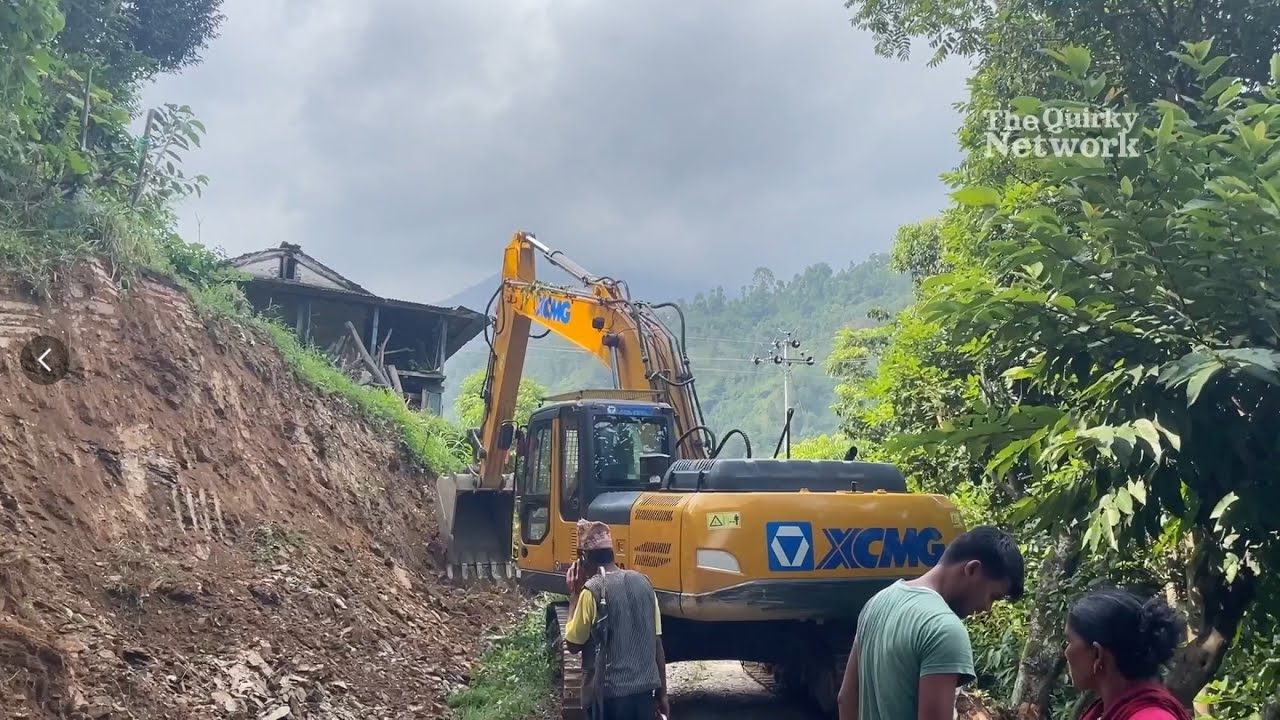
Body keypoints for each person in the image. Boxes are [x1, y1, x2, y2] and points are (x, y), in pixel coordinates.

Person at [837, 525, 1026, 720]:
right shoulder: (944, 628)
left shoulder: (876, 603)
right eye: (993, 596)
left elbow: (846, 699)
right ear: (972, 569)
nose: (987, 608)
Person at [564, 519, 669, 720]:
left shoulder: (591, 591)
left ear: (584, 559)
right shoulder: (645, 584)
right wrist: (663, 693)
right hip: (645, 695)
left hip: (608, 699)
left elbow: (573, 644)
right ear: (612, 554)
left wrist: (574, 597)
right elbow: (657, 643)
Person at [1064, 587, 1191, 720]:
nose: (1066, 653)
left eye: (1069, 641)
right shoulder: (1105, 711)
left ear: (1097, 654)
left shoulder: (1150, 717)